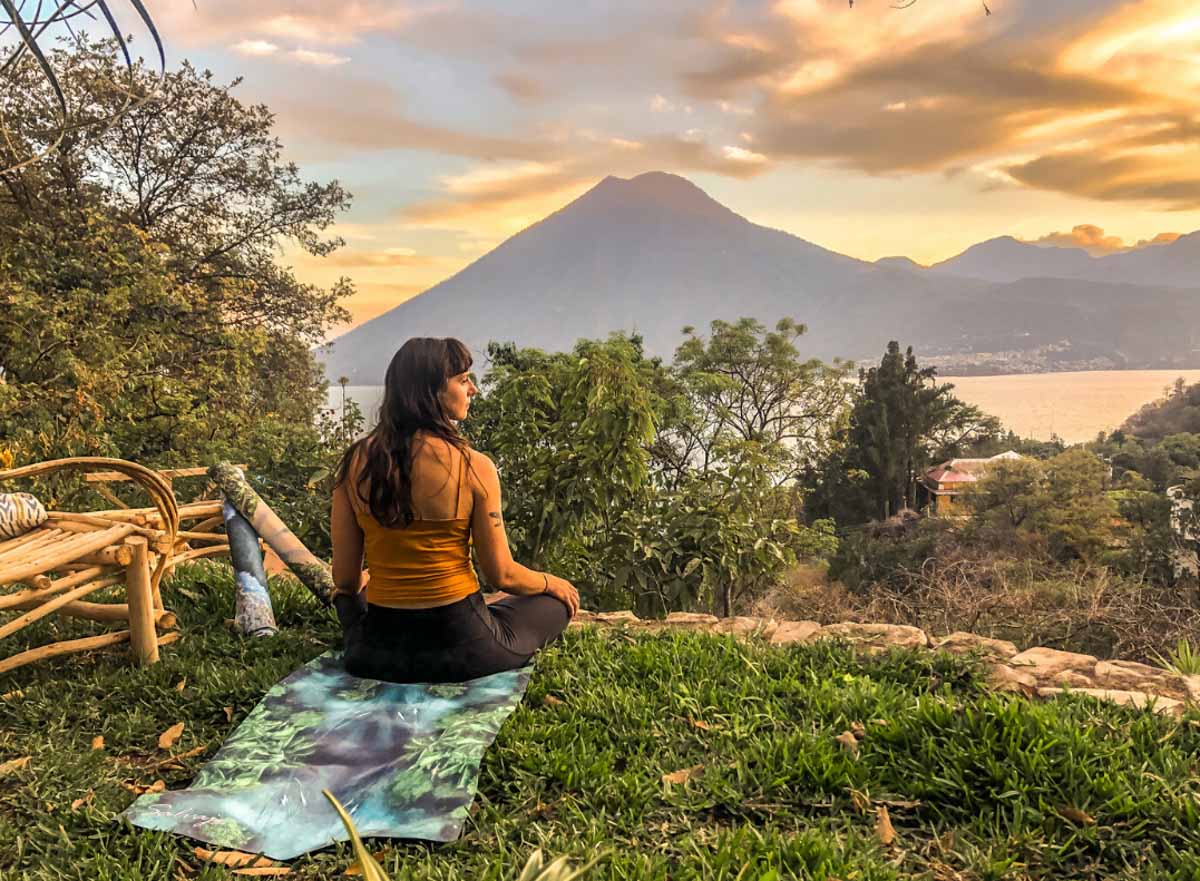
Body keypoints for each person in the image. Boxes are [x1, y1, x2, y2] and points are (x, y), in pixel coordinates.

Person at [330, 337, 579, 683]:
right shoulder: (474, 466)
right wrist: (552, 582)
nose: (472, 389)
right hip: (465, 651)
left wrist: (367, 583)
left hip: (375, 654)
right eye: (462, 380)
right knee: (553, 604)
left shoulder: (355, 462)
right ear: (432, 391)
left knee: (348, 600)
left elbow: (343, 580)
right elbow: (502, 575)